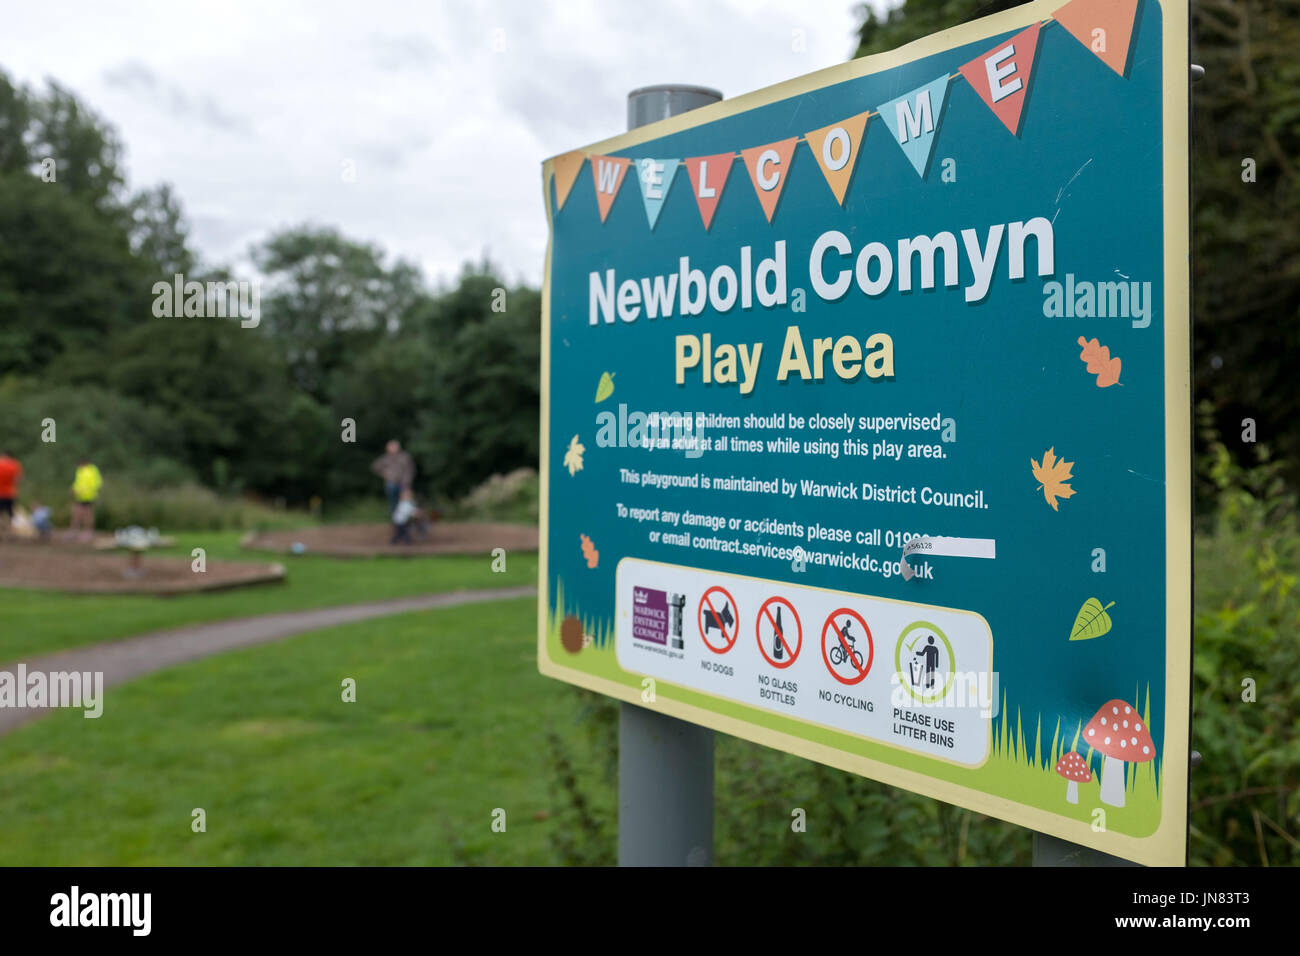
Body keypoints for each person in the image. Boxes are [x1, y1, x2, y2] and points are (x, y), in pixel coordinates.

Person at [371, 440, 415, 516]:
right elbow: (375, 467)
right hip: (391, 483)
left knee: (406, 503)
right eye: (391, 447)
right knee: (393, 502)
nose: (393, 448)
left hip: (404, 483)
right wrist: (384, 474)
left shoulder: (405, 457)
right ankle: (395, 522)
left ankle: (406, 521)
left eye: (395, 446)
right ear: (387, 448)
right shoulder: (385, 458)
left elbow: (411, 469)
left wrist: (408, 481)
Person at [70, 457, 103, 543]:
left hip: (87, 496)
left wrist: (80, 491)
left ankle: (88, 532)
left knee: (87, 514)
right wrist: (74, 489)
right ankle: (75, 531)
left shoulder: (90, 471)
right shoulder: (81, 471)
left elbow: (94, 484)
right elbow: (78, 483)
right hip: (80, 496)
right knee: (77, 512)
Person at [0, 450, 21, 540]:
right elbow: (18, 479)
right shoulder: (15, 464)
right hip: (10, 493)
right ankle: (10, 534)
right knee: (10, 514)